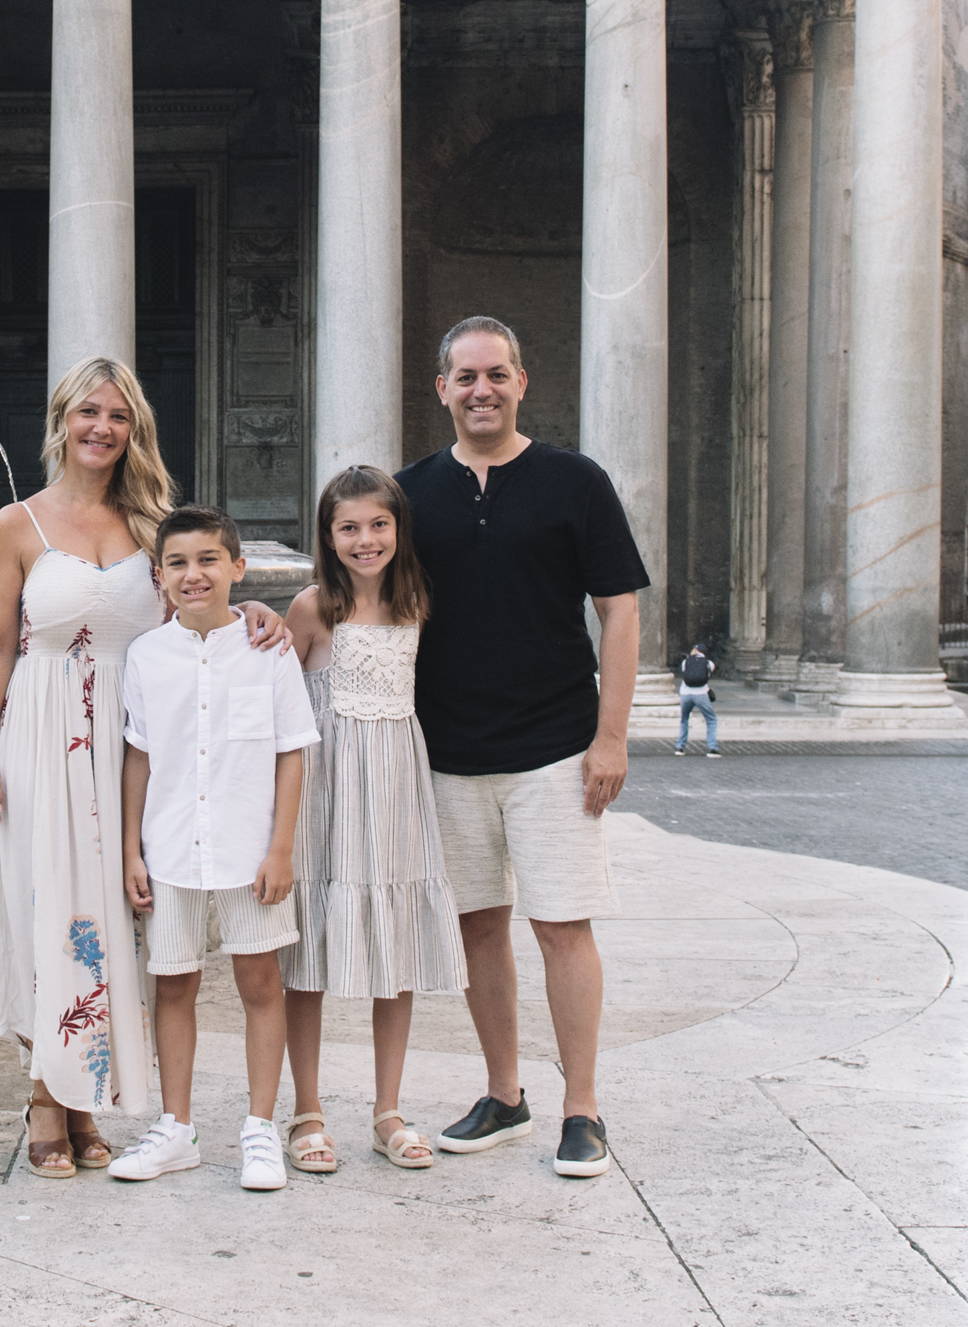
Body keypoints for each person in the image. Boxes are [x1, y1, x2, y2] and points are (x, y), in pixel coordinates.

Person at [0, 356, 280, 1177]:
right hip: (38, 731)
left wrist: (253, 611)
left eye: (117, 415)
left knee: (108, 914)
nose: (101, 428)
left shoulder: (152, 527)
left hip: (134, 741)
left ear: (133, 427)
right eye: (87, 412)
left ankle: (87, 1091)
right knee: (46, 904)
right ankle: (50, 1096)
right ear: (62, 421)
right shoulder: (17, 524)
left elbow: (200, 590)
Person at [401, 316, 644, 1181]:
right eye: (465, 376)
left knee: (562, 926)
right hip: (447, 746)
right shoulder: (410, 491)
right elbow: (356, 586)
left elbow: (619, 608)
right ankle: (504, 1092)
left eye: (496, 374)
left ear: (521, 381)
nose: (481, 389)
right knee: (478, 929)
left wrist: (611, 735)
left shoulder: (574, 480)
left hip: (555, 744)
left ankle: (583, 1106)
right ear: (442, 388)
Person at [111, 506, 316, 1190]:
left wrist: (280, 846)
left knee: (260, 983)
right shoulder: (146, 655)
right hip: (170, 849)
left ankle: (260, 1127)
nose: (193, 574)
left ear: (238, 567)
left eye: (207, 559)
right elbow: (137, 755)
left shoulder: (269, 650)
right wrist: (132, 850)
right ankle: (177, 1127)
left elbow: (292, 753)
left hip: (248, 847)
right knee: (173, 982)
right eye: (177, 563)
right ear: (160, 575)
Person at [277, 467, 471, 1175]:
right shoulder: (310, 608)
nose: (366, 539)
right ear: (327, 535)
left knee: (395, 944)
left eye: (378, 524)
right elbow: (274, 706)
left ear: (399, 528)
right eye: (349, 526)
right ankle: (307, 1109)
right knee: (309, 950)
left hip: (394, 783)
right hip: (326, 788)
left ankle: (388, 1108)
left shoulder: (415, 601)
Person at [674, 640, 720, 757]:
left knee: (684, 719)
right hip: (701, 693)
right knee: (711, 720)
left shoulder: (686, 662)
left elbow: (685, 672)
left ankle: (680, 747)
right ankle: (712, 748)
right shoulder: (709, 663)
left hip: (685, 693)